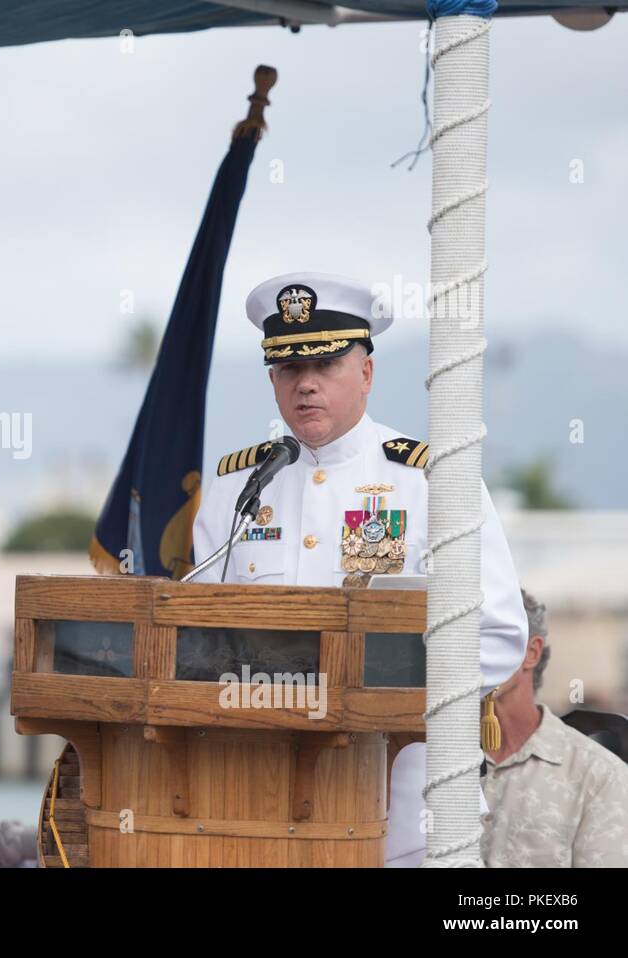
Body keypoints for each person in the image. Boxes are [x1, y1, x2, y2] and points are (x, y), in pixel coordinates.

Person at [190, 272, 528, 867]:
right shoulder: (234, 491)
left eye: (326, 366)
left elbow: (496, 633)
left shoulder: (430, 480)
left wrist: (367, 692)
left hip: (411, 813)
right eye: (291, 370)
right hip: (260, 804)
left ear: (366, 374)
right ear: (273, 381)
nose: (307, 385)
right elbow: (199, 637)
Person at [481, 589, 628, 867]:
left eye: (494, 639)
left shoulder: (598, 775)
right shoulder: (425, 758)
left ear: (531, 652)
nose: (477, 653)